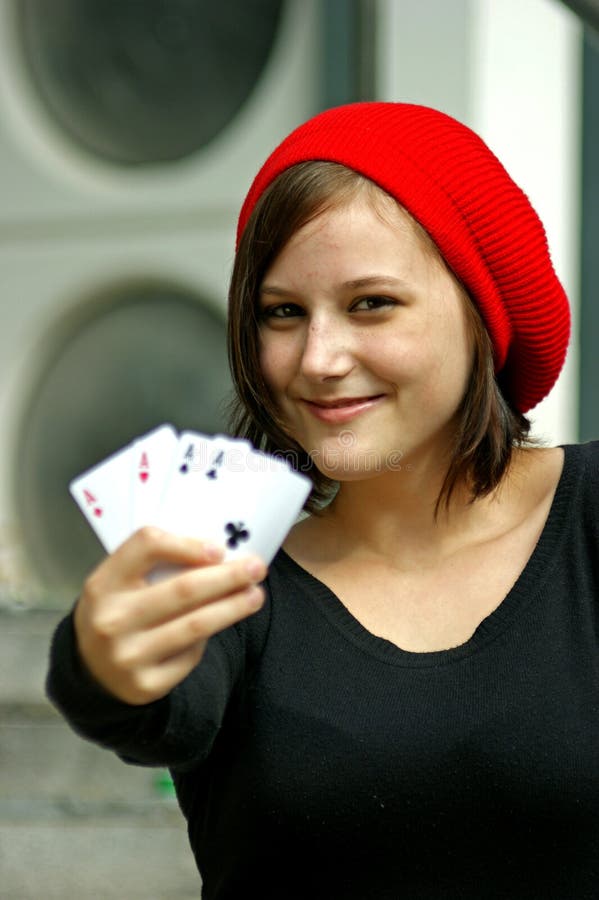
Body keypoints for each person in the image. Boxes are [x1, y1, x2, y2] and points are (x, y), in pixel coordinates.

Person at [47, 102, 599, 900]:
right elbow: (154, 706)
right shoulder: (224, 569)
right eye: (282, 312)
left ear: (481, 313)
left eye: (371, 303)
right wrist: (99, 661)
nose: (319, 359)